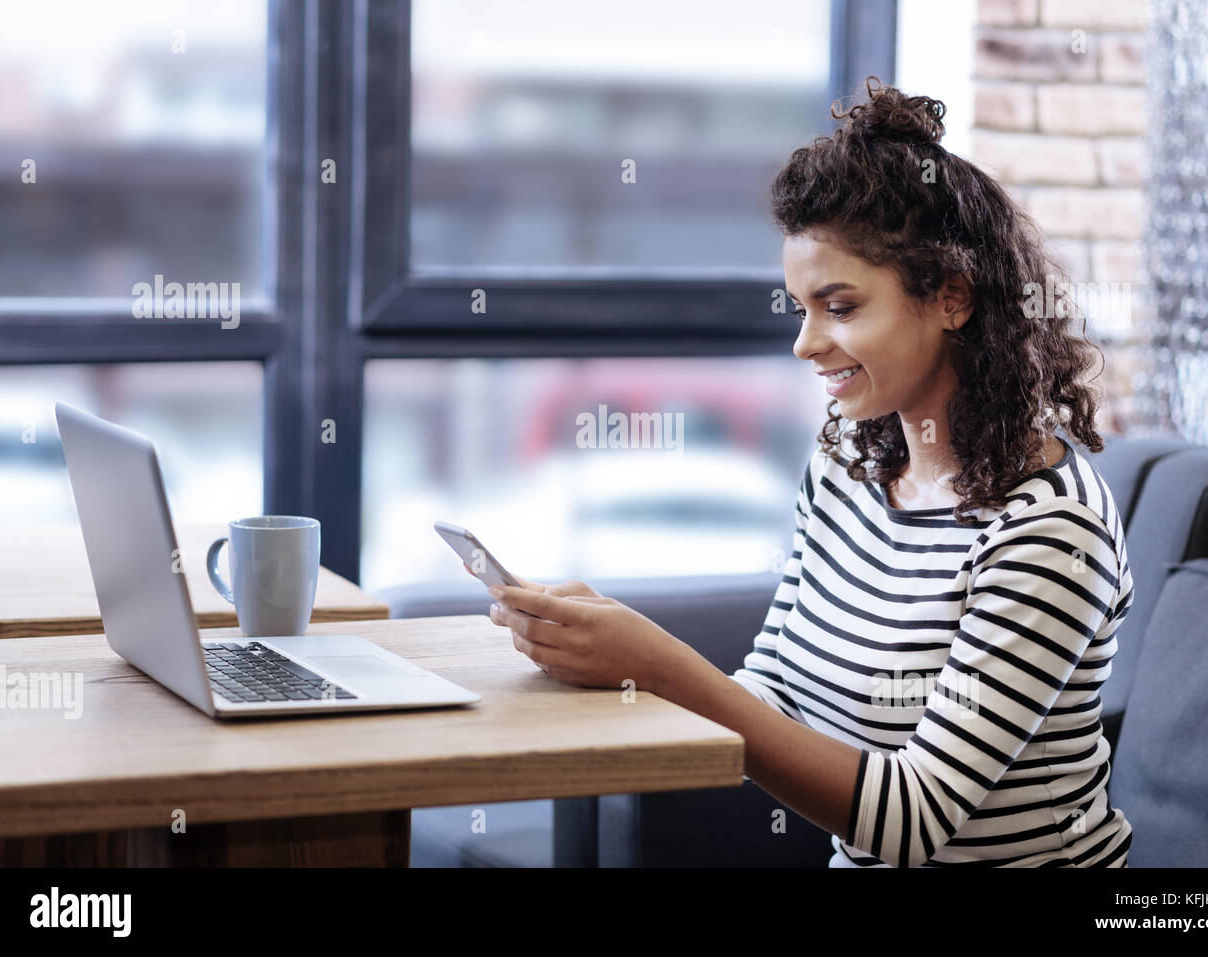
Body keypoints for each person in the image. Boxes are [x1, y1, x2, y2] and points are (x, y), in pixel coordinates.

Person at [486, 78, 1134, 867]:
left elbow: (911, 820)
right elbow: (775, 690)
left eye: (841, 306)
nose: (806, 342)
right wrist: (617, 662)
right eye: (800, 307)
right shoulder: (847, 468)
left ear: (952, 297)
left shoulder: (1048, 528)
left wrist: (657, 662)